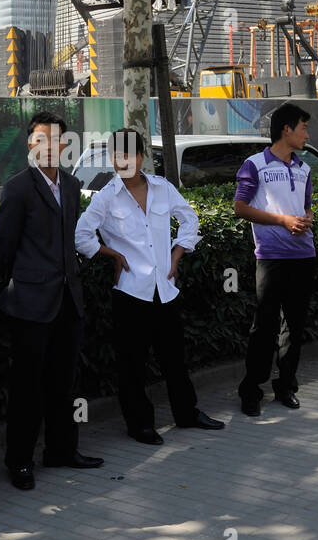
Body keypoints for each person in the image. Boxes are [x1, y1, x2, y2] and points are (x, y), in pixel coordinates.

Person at [75, 128, 224, 444]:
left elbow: (189, 220)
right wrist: (111, 253)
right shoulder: (105, 197)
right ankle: (139, 424)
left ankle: (187, 414)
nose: (122, 161)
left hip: (165, 288)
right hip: (130, 292)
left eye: (129, 154)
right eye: (117, 155)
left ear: (141, 157)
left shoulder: (162, 188)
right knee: (132, 364)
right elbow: (81, 237)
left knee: (175, 359)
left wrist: (177, 254)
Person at [0, 111, 103, 491]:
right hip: (29, 304)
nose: (49, 146)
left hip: (68, 301)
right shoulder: (18, 188)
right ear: (30, 144)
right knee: (26, 388)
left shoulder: (71, 187)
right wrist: (20, 283)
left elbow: (69, 241)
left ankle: (61, 450)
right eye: (41, 139)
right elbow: (1, 246)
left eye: (56, 140)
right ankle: (19, 461)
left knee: (64, 384)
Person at [233, 102, 317, 416]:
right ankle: (251, 390)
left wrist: (306, 218)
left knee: (294, 328)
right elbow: (240, 208)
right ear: (286, 130)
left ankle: (286, 387)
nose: (307, 134)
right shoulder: (254, 164)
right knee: (264, 327)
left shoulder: (304, 168)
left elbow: (306, 206)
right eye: (304, 128)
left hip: (304, 255)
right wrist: (283, 221)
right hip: (270, 257)